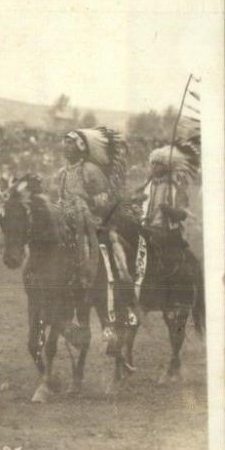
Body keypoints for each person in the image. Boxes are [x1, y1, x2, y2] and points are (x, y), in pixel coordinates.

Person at [55, 127, 132, 349]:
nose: (65, 147)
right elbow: (60, 199)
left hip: (94, 226)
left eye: (70, 143)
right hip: (68, 228)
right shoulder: (62, 173)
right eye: (64, 143)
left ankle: (113, 307)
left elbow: (105, 199)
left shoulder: (90, 170)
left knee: (107, 257)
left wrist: (85, 205)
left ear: (80, 148)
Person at [133, 136, 199, 305]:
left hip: (167, 232)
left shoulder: (176, 187)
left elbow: (183, 214)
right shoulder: (146, 185)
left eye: (159, 163)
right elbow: (136, 206)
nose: (154, 167)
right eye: (153, 163)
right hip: (145, 228)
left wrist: (168, 210)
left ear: (167, 166)